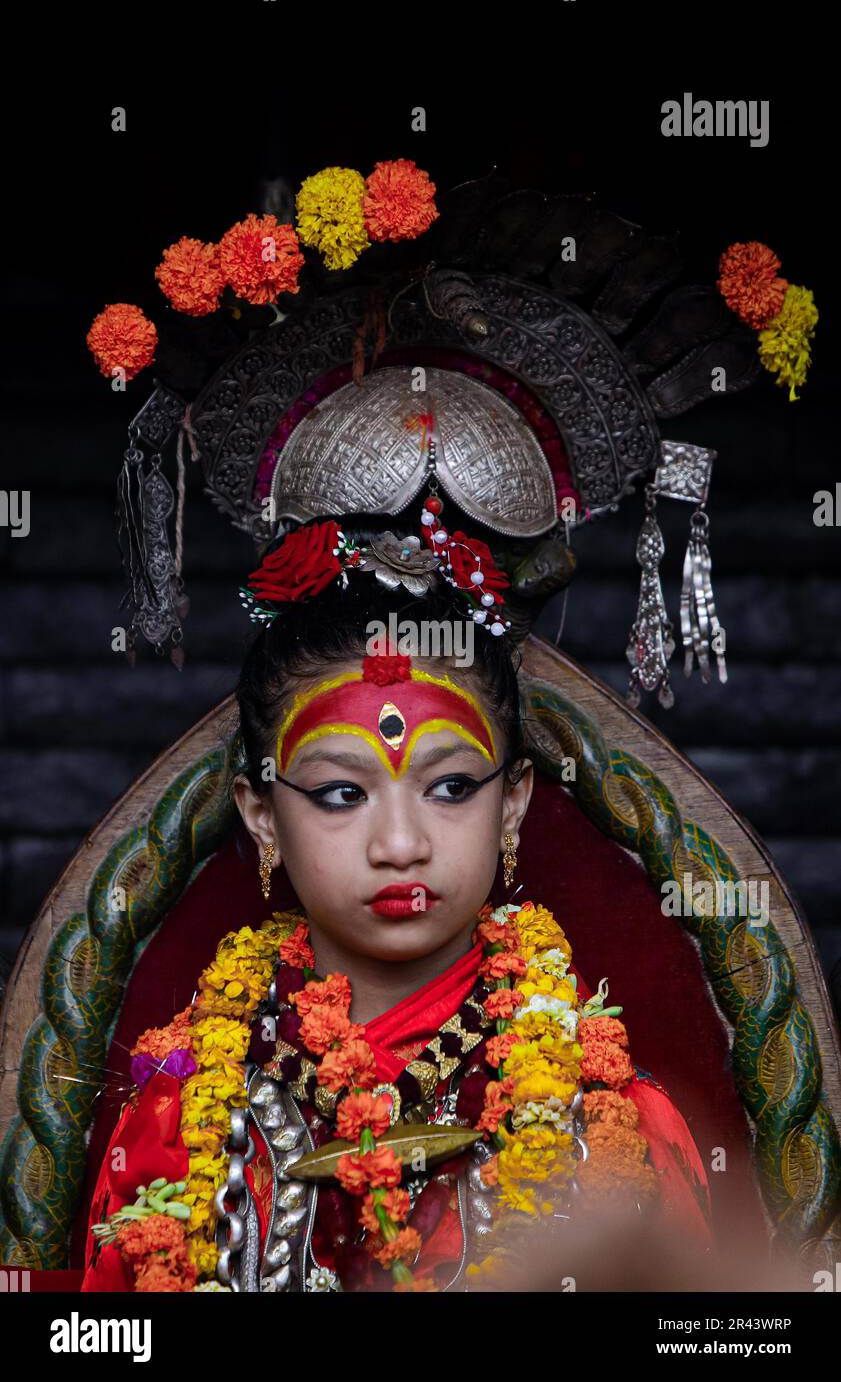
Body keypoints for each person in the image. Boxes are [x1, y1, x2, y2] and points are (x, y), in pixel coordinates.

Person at [80, 513, 715, 1294]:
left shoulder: (609, 1120)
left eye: (450, 787)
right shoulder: (178, 1119)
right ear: (262, 815)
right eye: (342, 793)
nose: (400, 844)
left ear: (512, 805)